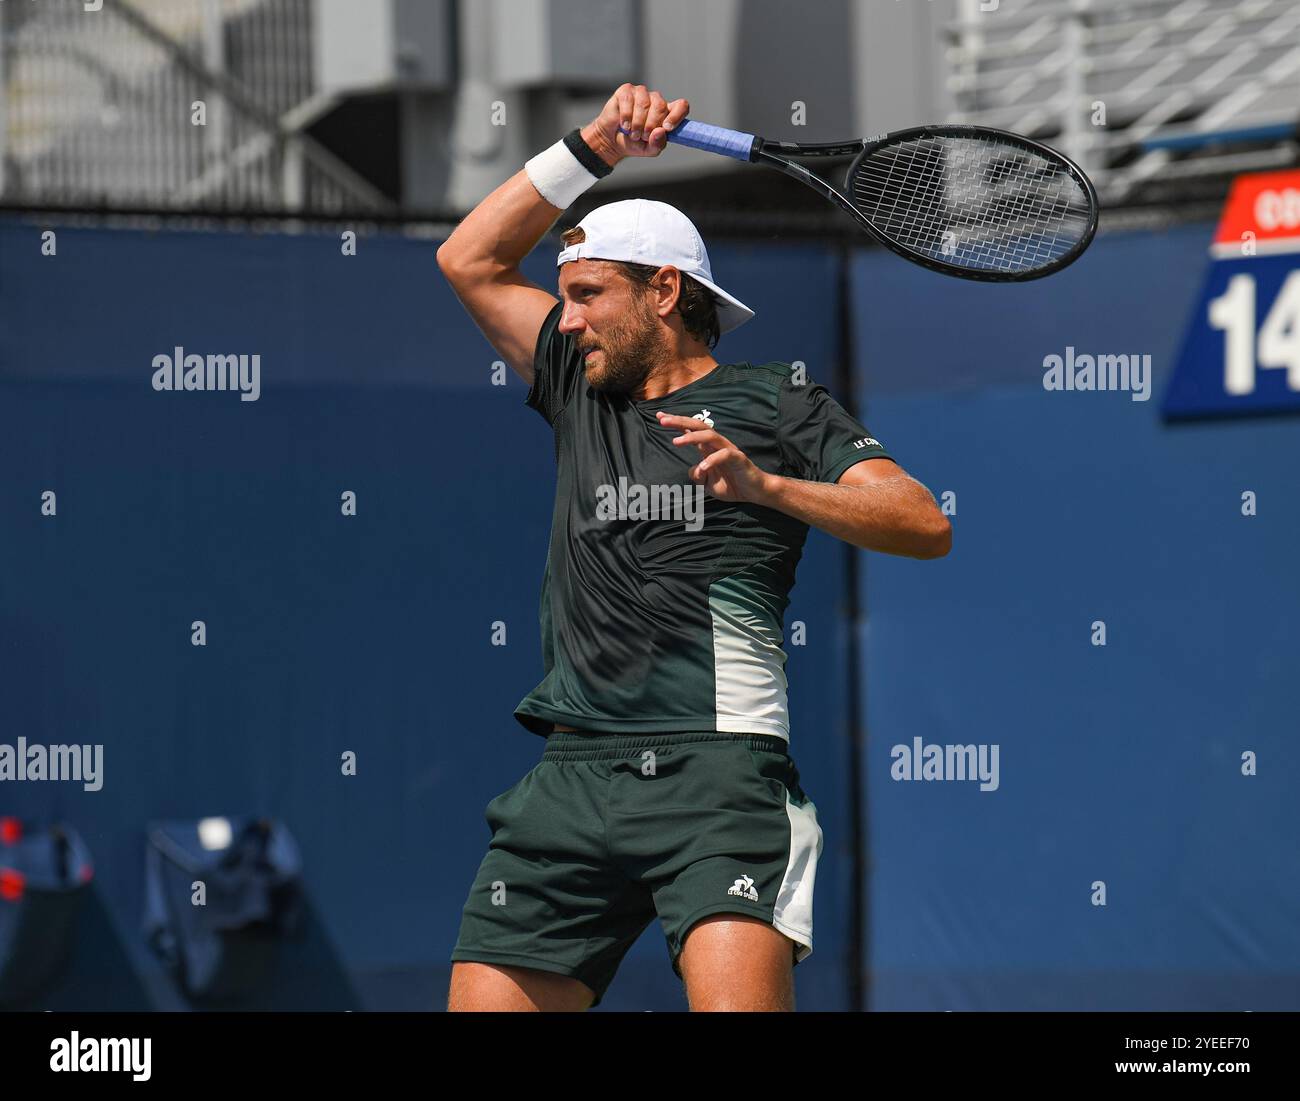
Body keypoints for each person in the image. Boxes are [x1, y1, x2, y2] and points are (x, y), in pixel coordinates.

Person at [438, 84, 950, 1012]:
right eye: (567, 299)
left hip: (720, 777)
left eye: (590, 294)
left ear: (663, 291)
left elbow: (923, 521)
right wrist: (596, 143)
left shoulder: (782, 404)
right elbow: (469, 257)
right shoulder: (575, 377)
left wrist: (767, 487)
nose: (573, 318)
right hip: (572, 776)